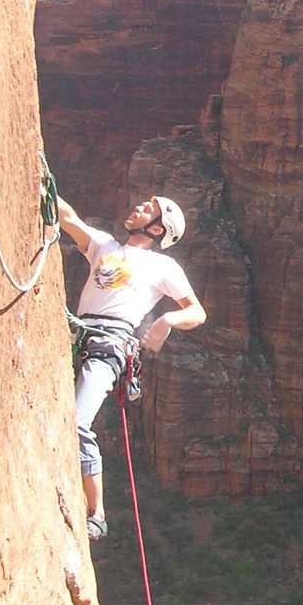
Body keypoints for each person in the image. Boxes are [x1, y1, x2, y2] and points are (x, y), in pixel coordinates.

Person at [58, 193, 206, 541]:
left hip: (109, 347)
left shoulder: (164, 267)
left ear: (157, 229)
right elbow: (68, 218)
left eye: (148, 209)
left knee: (78, 422)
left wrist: (167, 319)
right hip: (78, 337)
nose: (138, 206)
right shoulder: (104, 246)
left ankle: (97, 512)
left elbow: (197, 312)